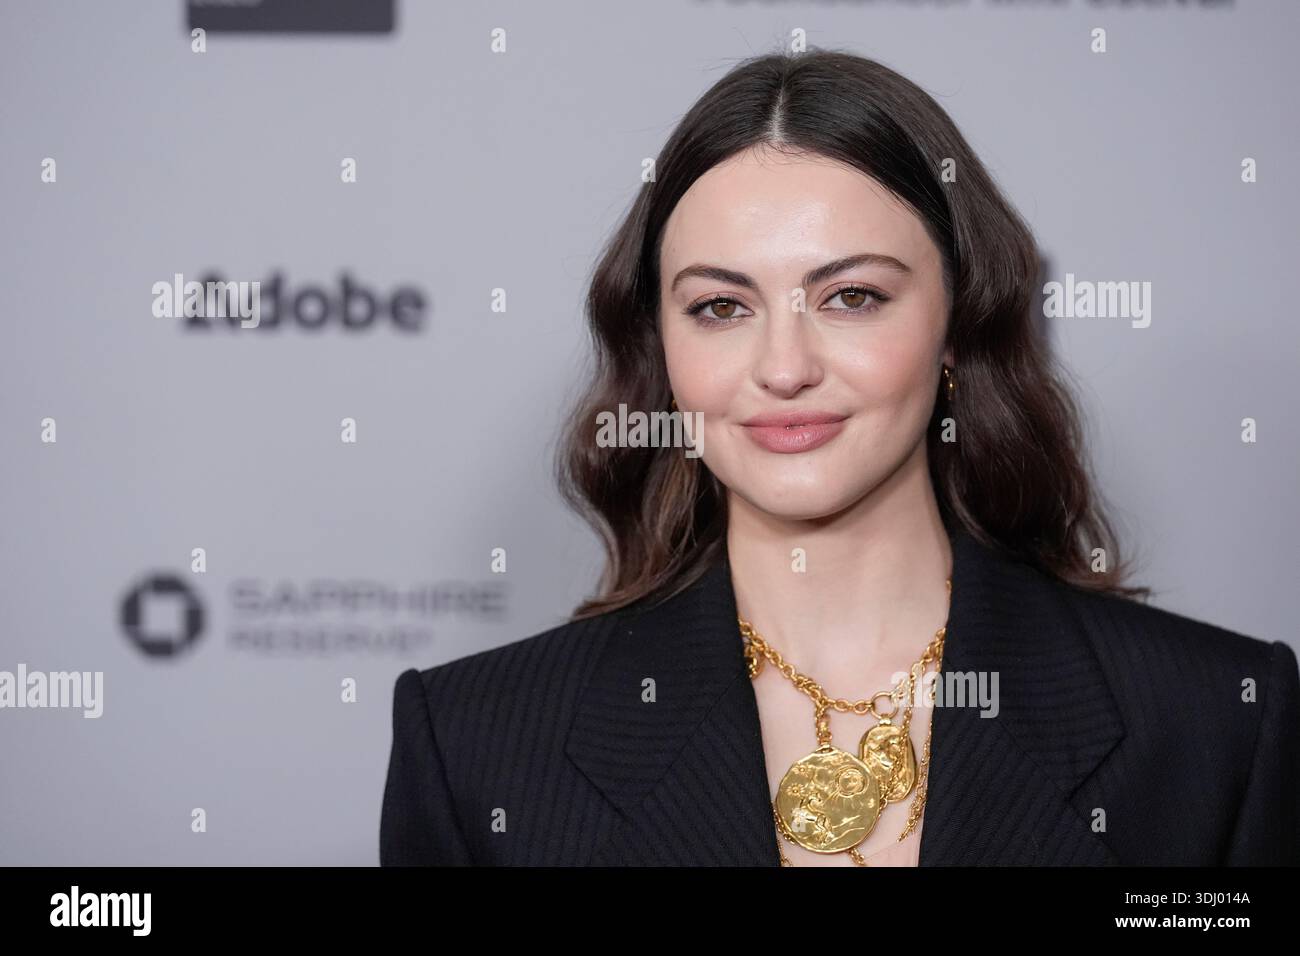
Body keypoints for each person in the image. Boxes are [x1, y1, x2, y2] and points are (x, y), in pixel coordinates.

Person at [380, 48, 1299, 866]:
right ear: (659, 349)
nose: (785, 369)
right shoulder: (473, 747)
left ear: (956, 327)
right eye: (721, 307)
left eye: (853, 297)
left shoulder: (1216, 724)